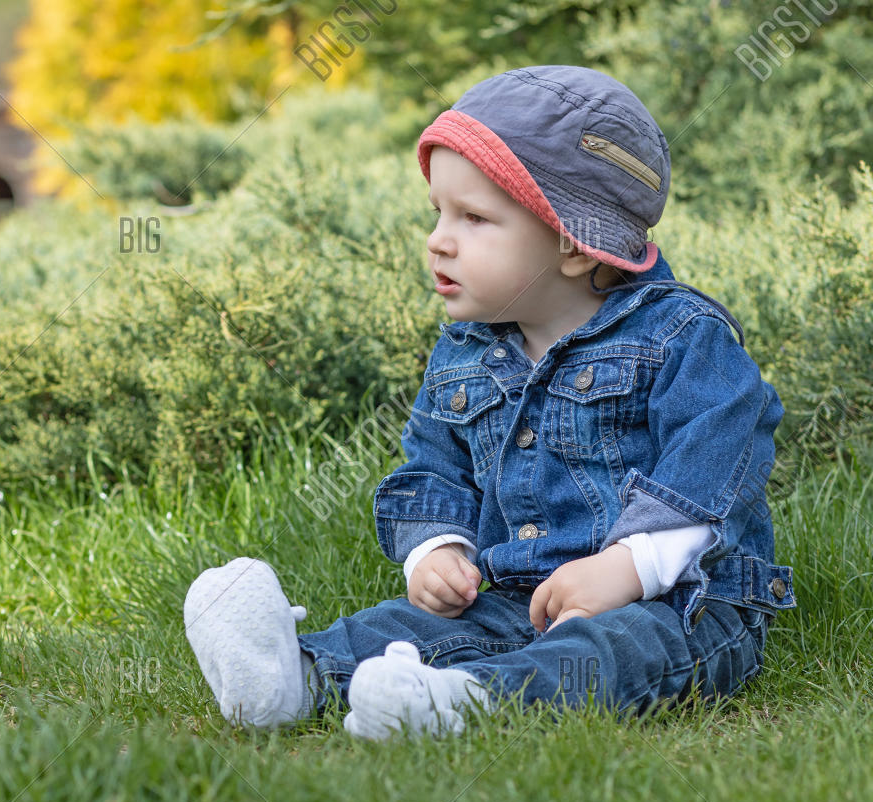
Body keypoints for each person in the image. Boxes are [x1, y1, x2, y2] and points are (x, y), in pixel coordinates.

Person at [184, 65, 796, 741]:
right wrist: (436, 551)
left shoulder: (679, 335)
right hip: (512, 594)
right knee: (405, 625)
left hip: (679, 601)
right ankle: (289, 682)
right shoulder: (466, 350)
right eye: (438, 213)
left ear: (570, 241)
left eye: (474, 218)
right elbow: (432, 468)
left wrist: (625, 569)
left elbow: (719, 456)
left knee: (613, 650)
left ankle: (468, 701)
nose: (438, 239)